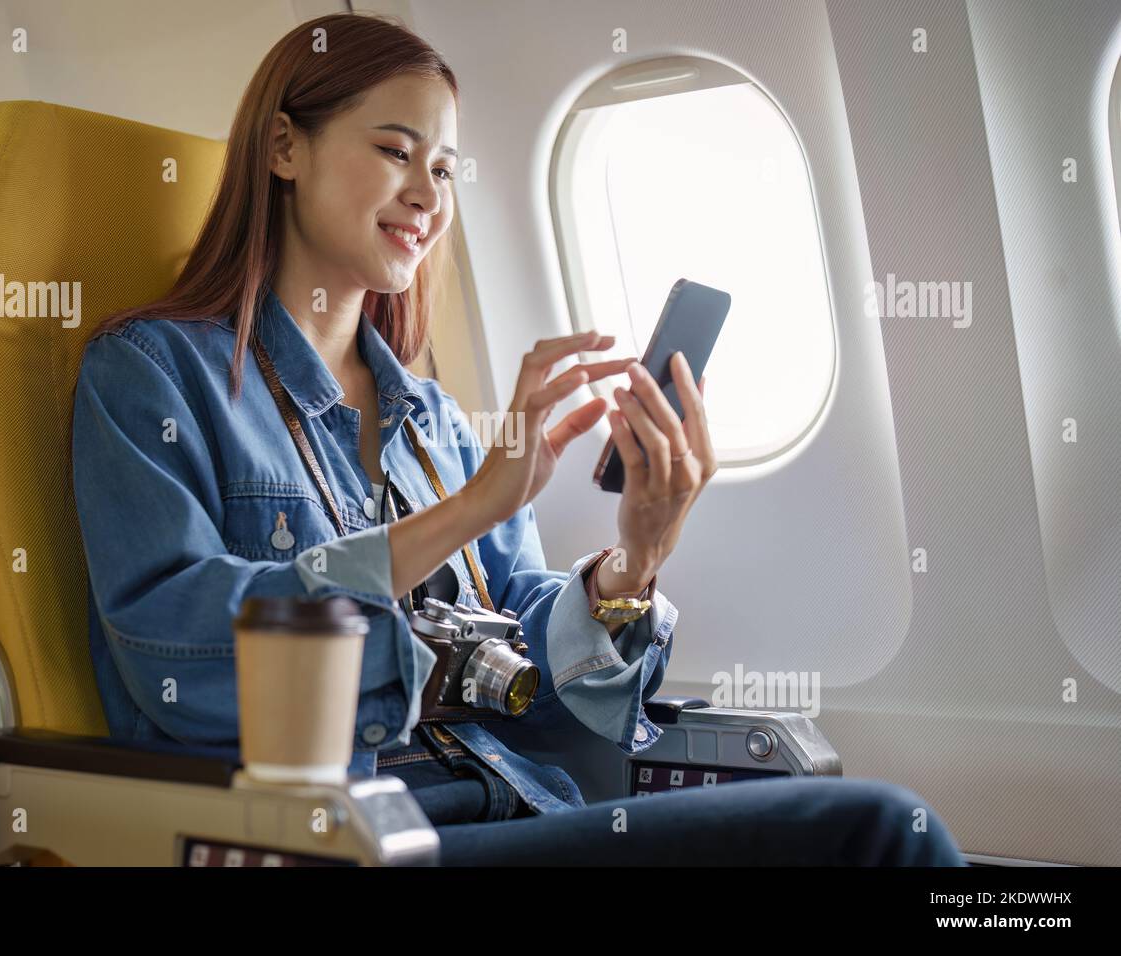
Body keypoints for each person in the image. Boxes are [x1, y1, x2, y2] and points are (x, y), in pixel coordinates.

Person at [70, 11, 965, 866]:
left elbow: (537, 691)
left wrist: (634, 562)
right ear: (284, 147)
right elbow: (172, 650)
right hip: (347, 839)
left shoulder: (435, 423)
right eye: (394, 151)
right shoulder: (150, 373)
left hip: (518, 803)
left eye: (449, 170)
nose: (427, 194)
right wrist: (467, 513)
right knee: (879, 835)